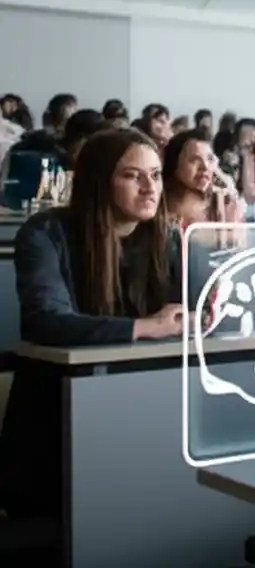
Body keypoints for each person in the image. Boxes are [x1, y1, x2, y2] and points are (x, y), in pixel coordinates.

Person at [3, 129, 185, 521]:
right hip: (57, 420)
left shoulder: (166, 239)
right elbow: (46, 321)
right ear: (99, 182)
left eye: (154, 175)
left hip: (141, 407)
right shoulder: (46, 233)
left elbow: (187, 312)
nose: (149, 188)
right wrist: (142, 327)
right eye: (132, 176)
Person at [162, 130, 244, 234]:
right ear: (175, 165)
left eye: (210, 159)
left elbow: (240, 246)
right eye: (194, 160)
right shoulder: (159, 206)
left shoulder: (225, 205)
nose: (205, 167)